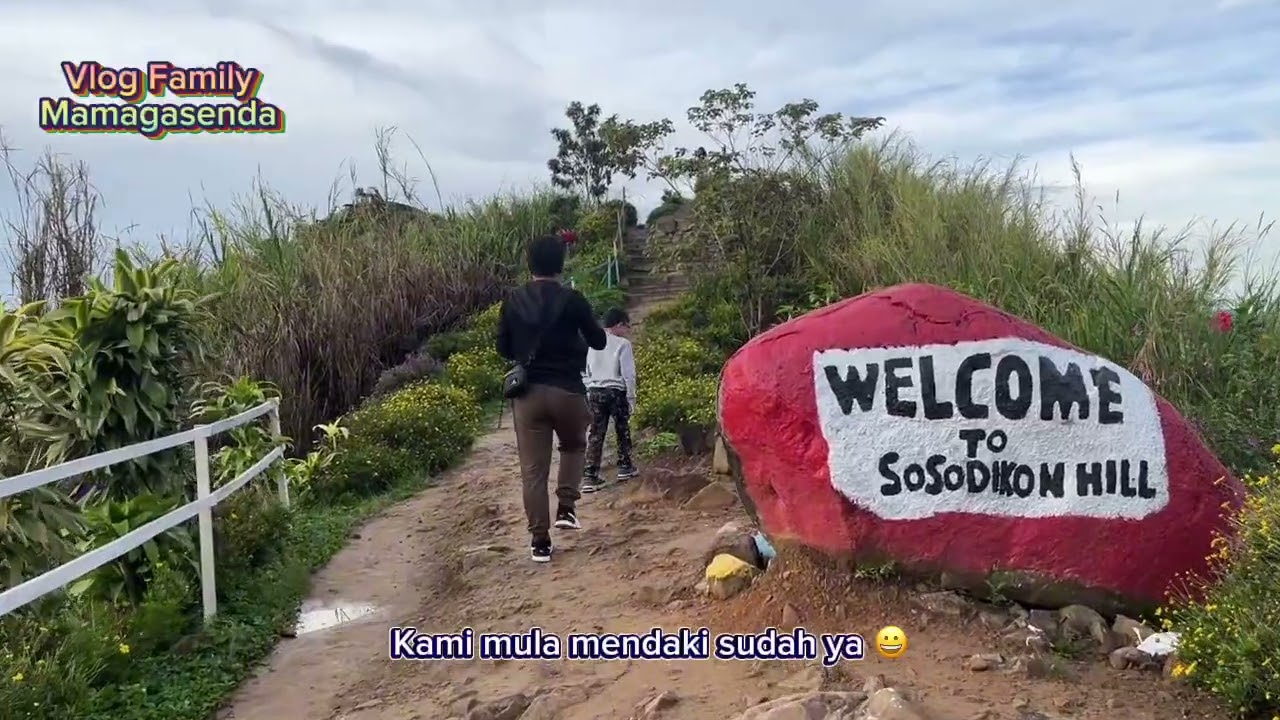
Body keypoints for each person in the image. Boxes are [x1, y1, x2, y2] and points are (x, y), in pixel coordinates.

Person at [496, 234, 607, 563]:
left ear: (529, 264)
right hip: (567, 390)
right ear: (560, 264)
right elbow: (599, 341)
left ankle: (540, 541)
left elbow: (503, 348)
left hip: (528, 396)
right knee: (573, 445)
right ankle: (567, 508)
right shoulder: (572, 299)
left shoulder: (513, 300)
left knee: (533, 470)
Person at [581, 308, 638, 492]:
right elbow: (628, 374)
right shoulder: (623, 344)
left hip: (594, 391)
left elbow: (585, 370)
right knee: (622, 428)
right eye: (627, 326)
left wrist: (588, 388)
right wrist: (631, 397)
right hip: (616, 391)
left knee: (596, 433)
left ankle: (590, 475)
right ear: (619, 324)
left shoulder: (591, 342)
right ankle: (625, 466)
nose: (627, 331)